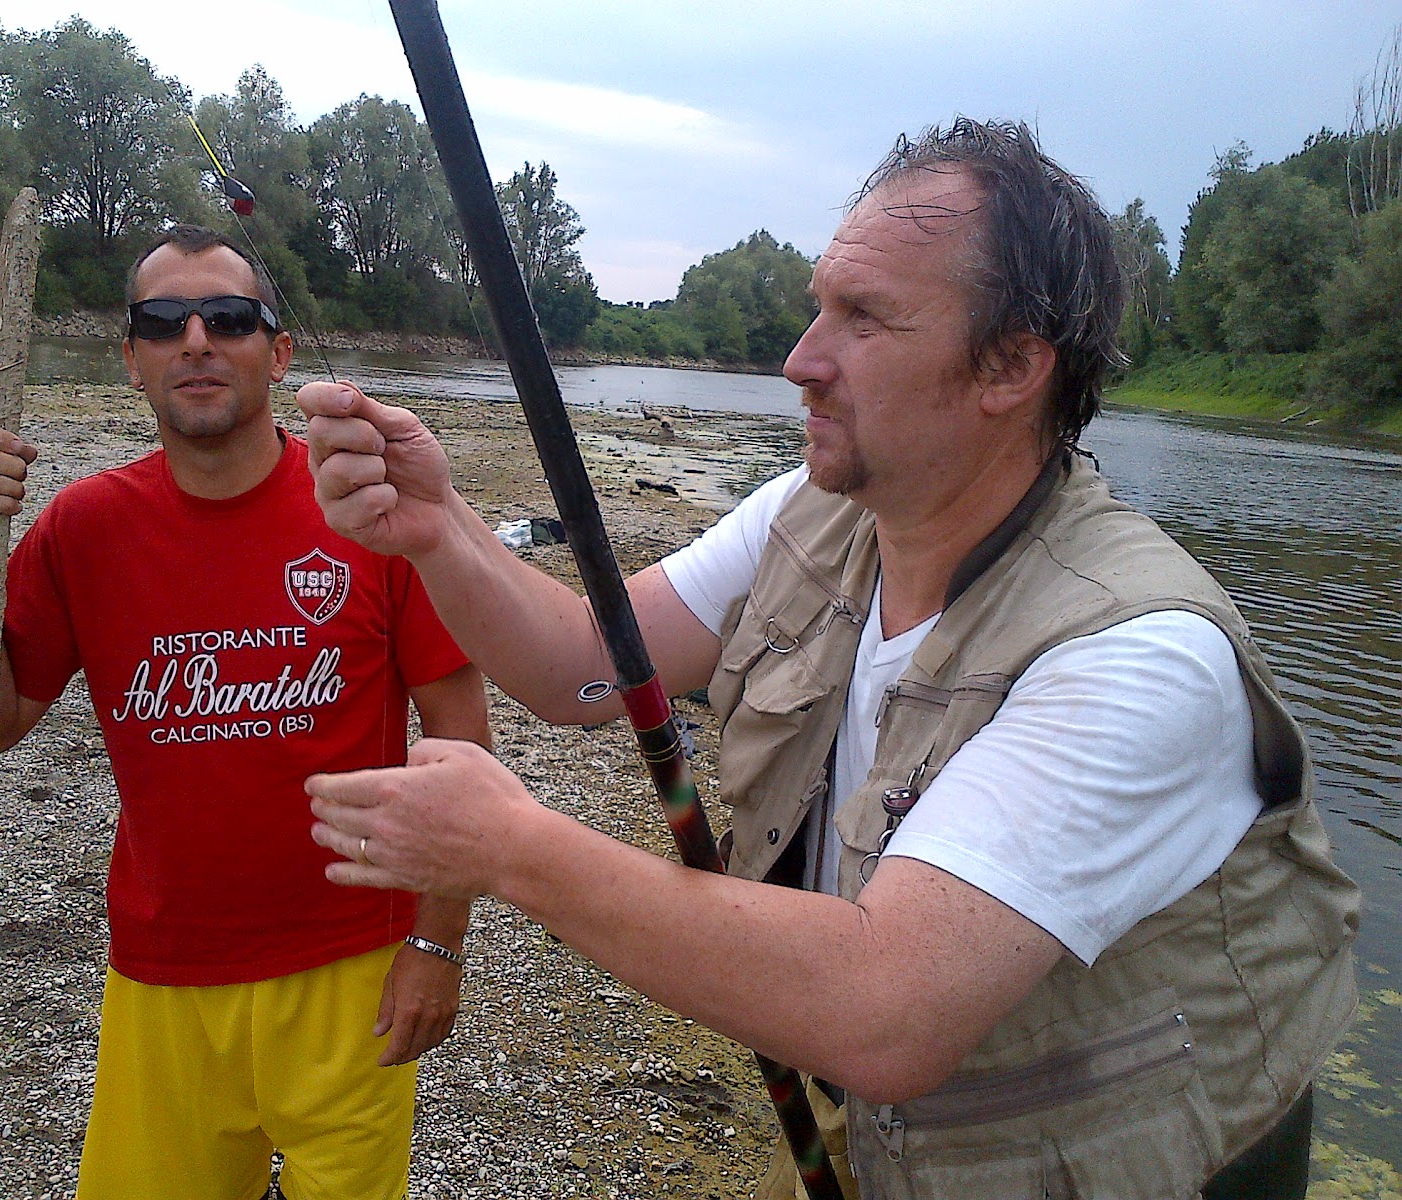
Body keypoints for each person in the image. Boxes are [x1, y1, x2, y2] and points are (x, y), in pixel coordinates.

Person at [295, 120, 1360, 1200]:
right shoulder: (816, 513)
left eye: (864, 319)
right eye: (820, 304)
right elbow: (579, 662)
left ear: (1009, 367)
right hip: (885, 1143)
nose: (800, 360)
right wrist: (438, 526)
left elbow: (882, 1011)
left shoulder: (1141, 657)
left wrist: (512, 850)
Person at [0, 224, 489, 1200]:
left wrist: (437, 945)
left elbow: (462, 739)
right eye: (163, 321)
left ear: (276, 352)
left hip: (352, 966)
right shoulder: (84, 529)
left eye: (227, 317)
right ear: (132, 360)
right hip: (165, 973)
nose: (195, 340)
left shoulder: (370, 512)